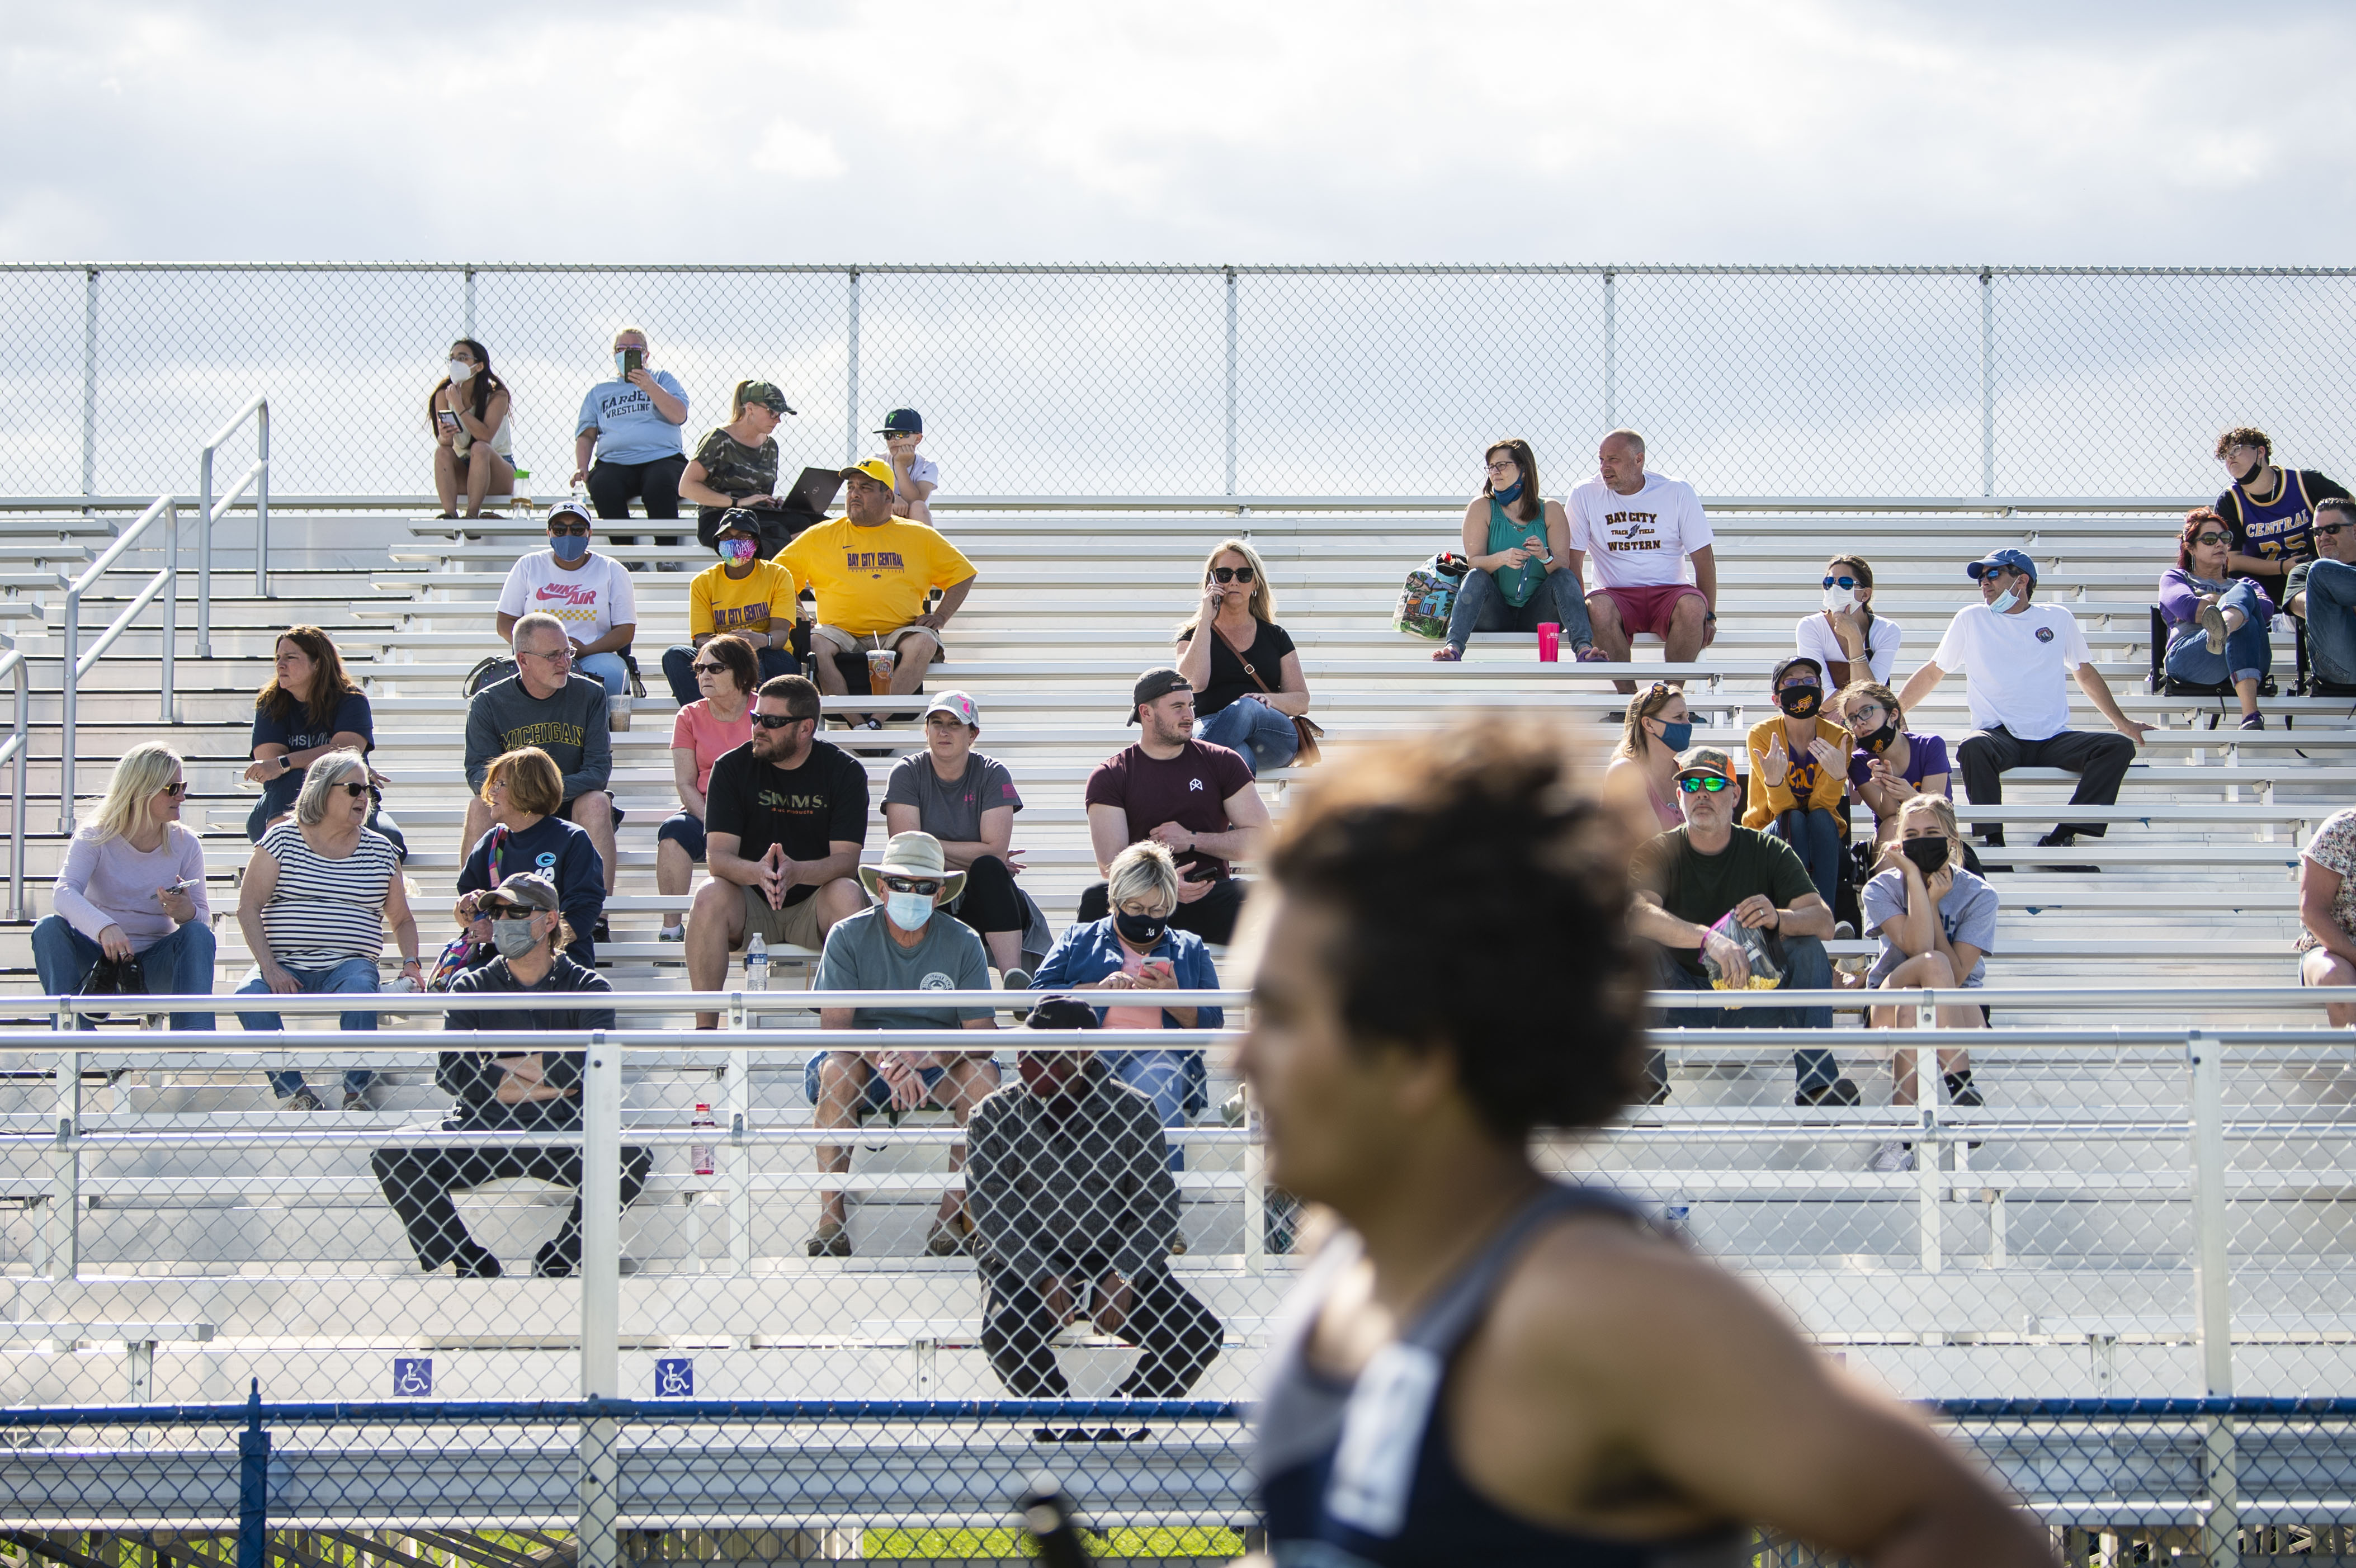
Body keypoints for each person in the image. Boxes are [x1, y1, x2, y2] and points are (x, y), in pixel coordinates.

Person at [1241, 719, 2047, 1566]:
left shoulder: (1593, 1298)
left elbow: (1966, 1534)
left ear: (1419, 1045)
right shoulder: (1338, 1266)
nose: (1239, 1055)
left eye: (1282, 1015)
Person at [370, 873, 651, 1279]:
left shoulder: (588, 985)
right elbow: (453, 1073)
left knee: (630, 1156)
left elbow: (587, 1070)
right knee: (394, 1154)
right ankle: (467, 1258)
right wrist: (549, 1073)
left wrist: (498, 1072)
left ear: (549, 920)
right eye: (497, 913)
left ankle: (561, 1257)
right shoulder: (471, 985)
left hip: (564, 1131)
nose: (502, 921)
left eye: (516, 912)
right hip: (483, 1128)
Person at [967, 996, 1224, 1412]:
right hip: (1025, 1264)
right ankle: (1062, 1426)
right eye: (1026, 1047)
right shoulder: (993, 1114)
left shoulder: (1133, 1110)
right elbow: (993, 1215)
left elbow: (1157, 1208)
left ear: (1083, 1054)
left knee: (1197, 1334)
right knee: (1004, 1334)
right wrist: (1042, 1274)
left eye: (1044, 1051)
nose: (1026, 1060)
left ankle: (1121, 1421)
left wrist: (1125, 1272)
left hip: (1111, 1259)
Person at [804, 832, 1000, 1259]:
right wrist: (889, 1060)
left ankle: (949, 1219)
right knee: (837, 1069)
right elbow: (834, 1030)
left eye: (924, 886)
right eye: (901, 883)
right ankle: (831, 1222)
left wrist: (926, 1056)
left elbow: (982, 1035)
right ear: (881, 887)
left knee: (983, 1077)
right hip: (862, 1061)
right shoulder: (847, 934)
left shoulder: (964, 940)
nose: (913, 894)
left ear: (940, 893)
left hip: (936, 1067)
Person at [1629, 747, 1854, 1107]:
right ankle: (1645, 1084)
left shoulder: (1768, 849)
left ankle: (1818, 1085)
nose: (1702, 793)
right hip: (1682, 1000)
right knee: (1639, 948)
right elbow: (1637, 914)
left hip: (1757, 997)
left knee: (1808, 948)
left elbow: (1824, 922)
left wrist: (1780, 918)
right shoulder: (1658, 851)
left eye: (1714, 784)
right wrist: (1709, 939)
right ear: (1680, 796)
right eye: (1692, 784)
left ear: (1736, 795)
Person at [1896, 547, 2151, 857]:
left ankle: (2062, 836)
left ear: (2022, 580)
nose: (1984, 582)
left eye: (1993, 574)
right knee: (1973, 746)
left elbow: (2084, 672)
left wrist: (2122, 723)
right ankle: (1994, 842)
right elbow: (1934, 671)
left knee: (2117, 747)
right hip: (2000, 737)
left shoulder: (2057, 617)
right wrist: (1895, 712)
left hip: (2053, 737)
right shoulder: (1971, 618)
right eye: (1980, 577)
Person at [236, 750, 418, 1111]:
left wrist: (411, 962)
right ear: (321, 790)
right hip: (284, 963)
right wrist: (269, 968)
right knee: (247, 996)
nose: (364, 797)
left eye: (367, 789)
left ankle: (355, 1093)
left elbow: (402, 920)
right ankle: (296, 1093)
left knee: (361, 989)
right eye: (354, 789)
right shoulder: (281, 839)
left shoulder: (381, 850)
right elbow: (248, 908)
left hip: (348, 966)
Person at [686, 674, 870, 1030]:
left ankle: (842, 1040)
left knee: (848, 894)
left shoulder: (844, 771)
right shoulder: (730, 767)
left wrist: (796, 873)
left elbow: (847, 862)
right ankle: (705, 1032)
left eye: (771, 721)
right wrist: (758, 873)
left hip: (814, 902)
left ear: (805, 728)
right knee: (709, 894)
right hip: (750, 901)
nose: (758, 728)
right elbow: (717, 858)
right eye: (756, 717)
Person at [1030, 840, 1222, 1169]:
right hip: (1089, 1051)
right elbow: (1036, 999)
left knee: (1157, 1077)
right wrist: (1095, 991)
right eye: (1135, 908)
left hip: (1159, 1055)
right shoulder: (1079, 938)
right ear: (1115, 902)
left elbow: (1213, 1023)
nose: (1147, 917)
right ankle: (1077, 1194)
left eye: (1158, 910)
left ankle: (1158, 1197)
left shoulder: (1190, 948)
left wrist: (1172, 998)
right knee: (1081, 1081)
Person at [32, 742, 216, 1032]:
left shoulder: (187, 844)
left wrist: (187, 913)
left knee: (197, 934)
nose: (182, 796)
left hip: (152, 967)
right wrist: (105, 928)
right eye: (173, 788)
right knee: (48, 928)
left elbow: (204, 921)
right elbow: (64, 892)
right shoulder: (95, 836)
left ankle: (192, 1045)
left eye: (183, 787)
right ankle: (77, 1041)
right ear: (142, 790)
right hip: (97, 964)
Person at [1082, 669, 1271, 946]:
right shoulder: (1111, 775)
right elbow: (1110, 864)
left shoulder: (1223, 761)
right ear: (1146, 712)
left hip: (1208, 897)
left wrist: (1191, 840)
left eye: (1191, 705)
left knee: (1269, 900)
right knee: (1096, 898)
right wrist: (1164, 884)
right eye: (1178, 707)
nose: (1189, 715)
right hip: (1142, 900)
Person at [778, 457, 978, 718]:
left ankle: (877, 720)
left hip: (899, 633)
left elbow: (964, 575)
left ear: (888, 497)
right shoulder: (820, 535)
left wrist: (941, 616)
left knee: (925, 642)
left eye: (865, 488)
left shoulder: (920, 536)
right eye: (851, 487)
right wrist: (800, 613)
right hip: (839, 633)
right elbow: (778, 576)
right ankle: (856, 721)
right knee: (815, 642)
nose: (854, 494)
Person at [1858, 796, 1994, 1173]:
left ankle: (1899, 1142)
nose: (1921, 842)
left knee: (1919, 997)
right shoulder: (1880, 888)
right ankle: (1962, 1090)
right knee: (1926, 969)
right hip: (1886, 1002)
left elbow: (1957, 975)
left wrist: (1934, 905)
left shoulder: (1980, 895)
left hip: (1959, 1007)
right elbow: (1917, 948)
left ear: (1952, 839)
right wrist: (1918, 886)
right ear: (1899, 842)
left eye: (1931, 833)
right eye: (1912, 835)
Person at [882, 690, 1049, 985]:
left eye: (955, 724)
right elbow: (907, 852)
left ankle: (1014, 980)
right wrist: (973, 855)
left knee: (989, 869)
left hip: (981, 898)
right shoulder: (906, 772)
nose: (944, 731)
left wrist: (931, 845)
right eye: (936, 723)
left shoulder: (993, 773)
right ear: (926, 730)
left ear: (973, 735)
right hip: (927, 893)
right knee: (927, 877)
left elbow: (994, 852)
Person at [462, 612, 619, 900]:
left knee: (598, 803)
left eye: (567, 652)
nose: (564, 662)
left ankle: (597, 914)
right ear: (523, 660)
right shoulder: (487, 702)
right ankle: (475, 909)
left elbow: (598, 771)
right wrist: (523, 797)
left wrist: (542, 793)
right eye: (552, 656)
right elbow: (478, 774)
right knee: (479, 806)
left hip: (570, 802)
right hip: (514, 806)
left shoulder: (591, 694)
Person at [1569, 428, 1717, 694]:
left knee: (1694, 606)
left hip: (1669, 592)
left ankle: (1670, 699)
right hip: (1616, 594)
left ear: (1639, 460)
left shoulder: (1676, 491)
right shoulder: (1585, 493)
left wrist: (1710, 615)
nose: (1604, 468)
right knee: (1596, 607)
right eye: (1601, 460)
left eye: (1613, 460)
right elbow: (1573, 562)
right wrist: (1581, 622)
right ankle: (1629, 701)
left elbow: (1704, 559)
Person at [240, 625, 404, 859]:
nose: (280, 665)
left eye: (290, 658)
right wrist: (298, 763)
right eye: (278, 658)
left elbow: (345, 752)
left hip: (345, 800)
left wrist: (287, 762)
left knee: (391, 841)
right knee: (291, 779)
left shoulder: (351, 700)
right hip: (282, 804)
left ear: (317, 663)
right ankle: (281, 859)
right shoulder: (270, 703)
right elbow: (271, 767)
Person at [1432, 438, 1595, 664]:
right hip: (1494, 613)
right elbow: (1474, 562)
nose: (1495, 472)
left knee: (1565, 577)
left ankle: (1585, 649)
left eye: (1502, 465)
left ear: (1524, 470)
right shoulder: (1481, 507)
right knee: (1476, 576)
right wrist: (1502, 558)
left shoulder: (1551, 509)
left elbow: (1563, 565)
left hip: (1538, 614)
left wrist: (1545, 556)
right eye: (1491, 467)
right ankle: (1453, 648)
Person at [454, 748, 605, 969]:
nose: (491, 792)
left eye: (500, 784)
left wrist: (504, 935)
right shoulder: (493, 842)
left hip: (559, 961)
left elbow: (579, 919)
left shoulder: (572, 840)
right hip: (498, 962)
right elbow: (468, 911)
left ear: (527, 789)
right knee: (462, 984)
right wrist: (467, 912)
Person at [1174, 537, 1312, 775]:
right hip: (1211, 727)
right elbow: (1194, 683)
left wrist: (1264, 700)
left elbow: (1302, 702)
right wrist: (1206, 620)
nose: (1234, 581)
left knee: (1247, 707)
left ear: (1255, 582)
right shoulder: (1193, 636)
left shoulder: (1276, 636)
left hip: (1271, 735)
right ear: (1212, 581)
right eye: (1225, 575)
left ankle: (1181, 774)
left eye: (1244, 575)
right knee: (1238, 754)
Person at [494, 499, 639, 712]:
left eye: (577, 529)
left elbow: (625, 629)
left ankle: (599, 731)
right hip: (539, 655)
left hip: (594, 655)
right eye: (560, 530)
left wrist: (586, 650)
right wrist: (539, 650)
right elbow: (504, 622)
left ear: (589, 534)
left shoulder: (612, 570)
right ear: (549, 533)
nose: (568, 535)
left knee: (614, 675)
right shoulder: (528, 565)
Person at [658, 633, 757, 942]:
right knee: (673, 833)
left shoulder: (765, 710)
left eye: (715, 669)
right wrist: (714, 822)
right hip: (705, 811)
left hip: (760, 810)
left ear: (742, 674)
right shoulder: (688, 716)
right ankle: (671, 929)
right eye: (700, 668)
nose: (704, 675)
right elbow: (685, 784)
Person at [660, 509, 804, 705]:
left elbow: (780, 636)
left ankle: (751, 718)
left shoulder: (778, 575)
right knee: (675, 656)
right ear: (718, 544)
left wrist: (757, 640)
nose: (734, 542)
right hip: (721, 656)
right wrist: (732, 644)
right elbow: (702, 639)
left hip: (772, 657)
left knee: (753, 654)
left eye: (743, 536)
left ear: (756, 543)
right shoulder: (703, 582)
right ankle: (704, 717)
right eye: (727, 537)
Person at [1744, 655, 1852, 910]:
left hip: (1822, 835)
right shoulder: (1761, 734)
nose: (1801, 686)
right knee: (1794, 819)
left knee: (1820, 818)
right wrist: (1773, 783)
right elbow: (1781, 809)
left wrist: (1837, 777)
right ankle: (1801, 915)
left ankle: (1823, 917)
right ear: (1776, 699)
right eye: (1791, 683)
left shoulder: (1839, 737)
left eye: (1809, 681)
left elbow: (1822, 807)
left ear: (1821, 694)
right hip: (1769, 833)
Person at [572, 325, 690, 548]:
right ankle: (625, 553)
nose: (627, 353)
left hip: (662, 458)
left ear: (646, 355)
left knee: (659, 484)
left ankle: (667, 554)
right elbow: (587, 435)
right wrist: (582, 467)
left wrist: (649, 386)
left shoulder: (662, 379)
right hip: (615, 462)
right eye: (621, 349)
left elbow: (679, 415)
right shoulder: (599, 392)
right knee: (602, 485)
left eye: (634, 349)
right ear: (614, 354)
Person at [2160, 507, 2275, 729]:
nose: (2220, 544)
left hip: (2246, 655)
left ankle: (2225, 628)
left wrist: (2215, 601)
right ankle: (2251, 714)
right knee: (2245, 611)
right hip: (2192, 657)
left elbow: (2267, 610)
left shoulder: (2246, 585)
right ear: (2190, 547)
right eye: (2210, 539)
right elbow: (2189, 608)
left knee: (2244, 599)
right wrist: (2236, 605)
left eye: (2225, 538)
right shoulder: (2176, 578)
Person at [682, 380, 808, 557]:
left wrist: (772, 503)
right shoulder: (719, 439)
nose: (778, 420)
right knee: (776, 532)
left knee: (814, 523)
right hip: (721, 518)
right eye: (772, 412)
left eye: (780, 414)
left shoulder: (770, 446)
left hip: (757, 515)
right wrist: (737, 502)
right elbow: (686, 487)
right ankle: (777, 564)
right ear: (750, 409)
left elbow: (760, 494)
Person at [2213, 425, 2349, 587]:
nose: (2230, 457)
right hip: (2260, 582)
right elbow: (2232, 560)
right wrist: (2282, 567)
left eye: (2236, 449)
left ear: (2260, 452)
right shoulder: (2230, 501)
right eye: (2225, 455)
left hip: (2313, 572)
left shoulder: (2304, 482)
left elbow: (2351, 511)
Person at [1836, 679, 1952, 851]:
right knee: (1893, 823)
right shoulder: (1859, 762)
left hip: (1937, 835)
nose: (1859, 722)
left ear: (1893, 714)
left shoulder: (1930, 745)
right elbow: (1887, 816)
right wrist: (1886, 790)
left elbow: (1936, 812)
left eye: (1866, 711)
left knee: (1929, 829)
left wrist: (1910, 796)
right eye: (1852, 718)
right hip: (1891, 838)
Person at [428, 338, 513, 521]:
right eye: (452, 359)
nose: (455, 364)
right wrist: (444, 436)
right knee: (442, 452)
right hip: (464, 472)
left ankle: (472, 515)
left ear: (479, 366)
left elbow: (485, 436)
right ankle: (450, 515)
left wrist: (459, 407)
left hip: (498, 471)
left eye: (462, 358)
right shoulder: (443, 394)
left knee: (480, 448)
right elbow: (445, 443)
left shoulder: (497, 395)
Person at [1601, 681, 1693, 842]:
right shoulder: (1625, 772)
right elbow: (1655, 845)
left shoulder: (1684, 772)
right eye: (1679, 717)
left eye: (1688, 717)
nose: (1688, 725)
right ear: (1649, 724)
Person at [1799, 554, 1901, 687]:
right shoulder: (1810, 627)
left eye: (1845, 583)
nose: (1834, 589)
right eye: (1829, 583)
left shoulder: (1887, 630)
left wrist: (1854, 639)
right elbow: (1822, 692)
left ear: (1865, 594)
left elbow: (1872, 693)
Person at [2286, 495, 2356, 688]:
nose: (2323, 537)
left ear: (2355, 531)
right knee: (2320, 570)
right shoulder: (2305, 572)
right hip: (2340, 666)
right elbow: (2307, 607)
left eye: (2332, 529)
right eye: (2317, 531)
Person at [2297, 806, 2356, 1028]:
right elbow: (2312, 911)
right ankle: (2350, 1050)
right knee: (2337, 979)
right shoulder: (2342, 829)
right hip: (2333, 949)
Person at [877, 408, 938, 525]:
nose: (893, 440)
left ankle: (924, 539)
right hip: (885, 524)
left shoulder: (927, 465)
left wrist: (900, 463)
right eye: (888, 435)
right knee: (886, 504)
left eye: (900, 435)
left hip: (913, 523)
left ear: (917, 439)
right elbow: (868, 493)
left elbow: (914, 500)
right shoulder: (878, 460)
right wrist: (893, 498)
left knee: (918, 507)